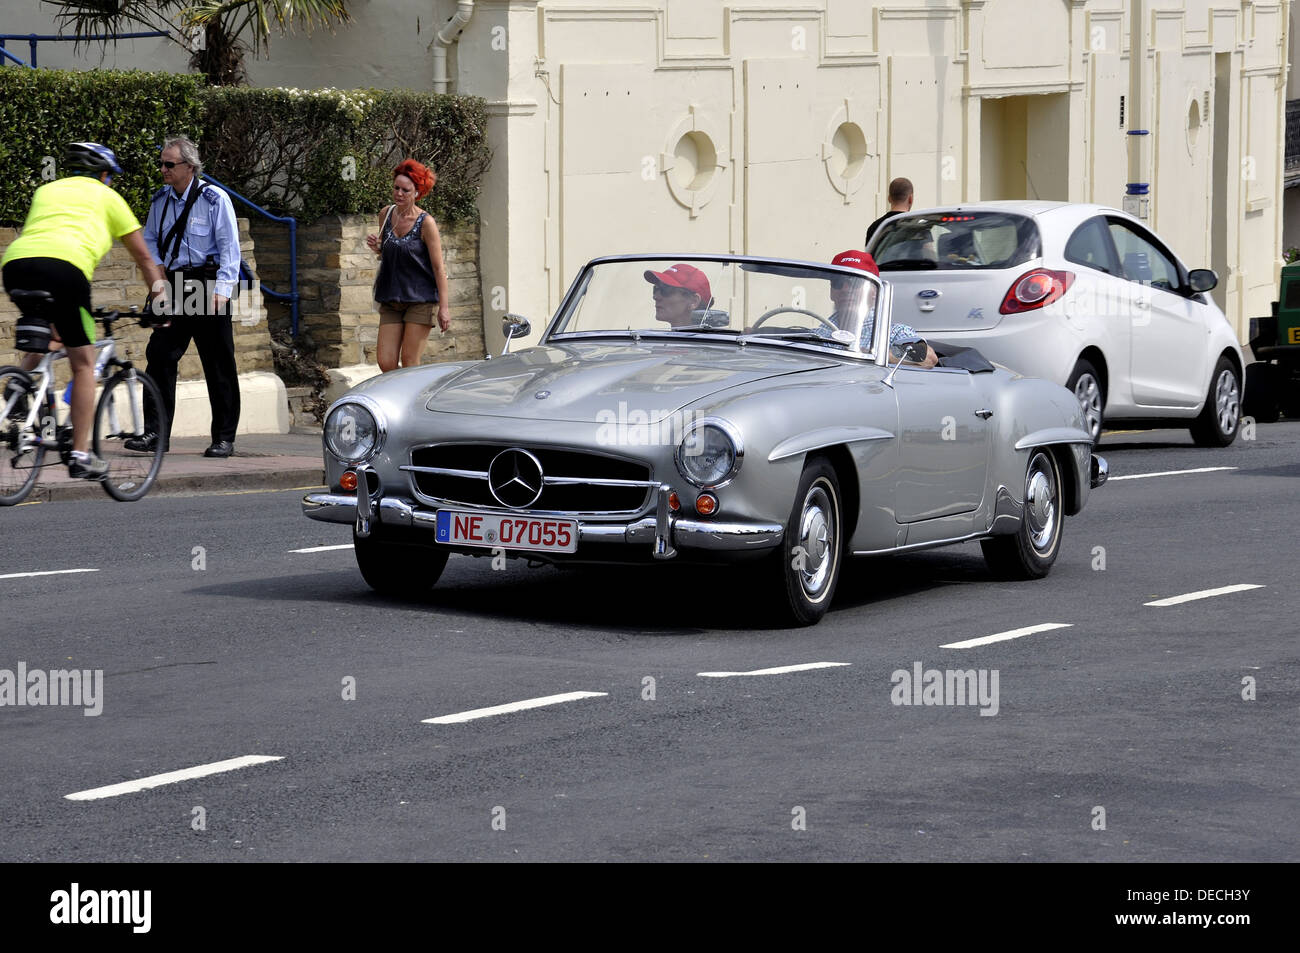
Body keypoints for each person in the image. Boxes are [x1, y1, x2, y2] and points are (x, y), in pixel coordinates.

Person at [1, 142, 167, 479]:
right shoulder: (110, 199)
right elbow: (146, 259)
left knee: (52, 332)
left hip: (15, 265)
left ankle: (17, 391)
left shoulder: (46, 191)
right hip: (64, 270)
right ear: (104, 175)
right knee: (84, 364)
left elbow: (41, 235)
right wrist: (161, 304)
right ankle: (80, 455)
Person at [128, 135, 242, 458]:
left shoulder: (215, 199)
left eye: (169, 164)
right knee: (160, 356)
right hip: (175, 284)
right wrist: (159, 269)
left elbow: (229, 249)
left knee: (218, 363)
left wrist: (222, 291)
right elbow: (149, 238)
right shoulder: (159, 200)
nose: (163, 169)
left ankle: (223, 437)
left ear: (189, 167)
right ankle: (156, 434)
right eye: (162, 163)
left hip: (207, 284)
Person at [366, 159, 451, 372]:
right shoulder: (386, 214)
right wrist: (378, 248)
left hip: (420, 299)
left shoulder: (426, 223)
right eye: (396, 188)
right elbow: (388, 254)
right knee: (386, 362)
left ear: (417, 193)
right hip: (391, 296)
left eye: (406, 190)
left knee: (410, 362)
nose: (399, 193)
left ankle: (412, 403)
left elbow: (439, 268)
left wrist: (444, 307)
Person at [821, 250, 938, 367]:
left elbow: (928, 358)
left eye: (855, 283)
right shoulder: (818, 334)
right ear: (832, 292)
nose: (845, 289)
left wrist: (873, 354)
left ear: (874, 291)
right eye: (838, 282)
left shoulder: (893, 333)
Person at [643, 263, 713, 328]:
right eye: (656, 288)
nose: (655, 297)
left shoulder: (710, 341)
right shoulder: (653, 339)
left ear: (694, 301)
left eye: (665, 289)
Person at [864, 176, 914, 248]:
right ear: (910, 199)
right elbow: (929, 253)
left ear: (889, 198)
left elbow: (868, 256)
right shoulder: (918, 226)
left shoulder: (874, 227)